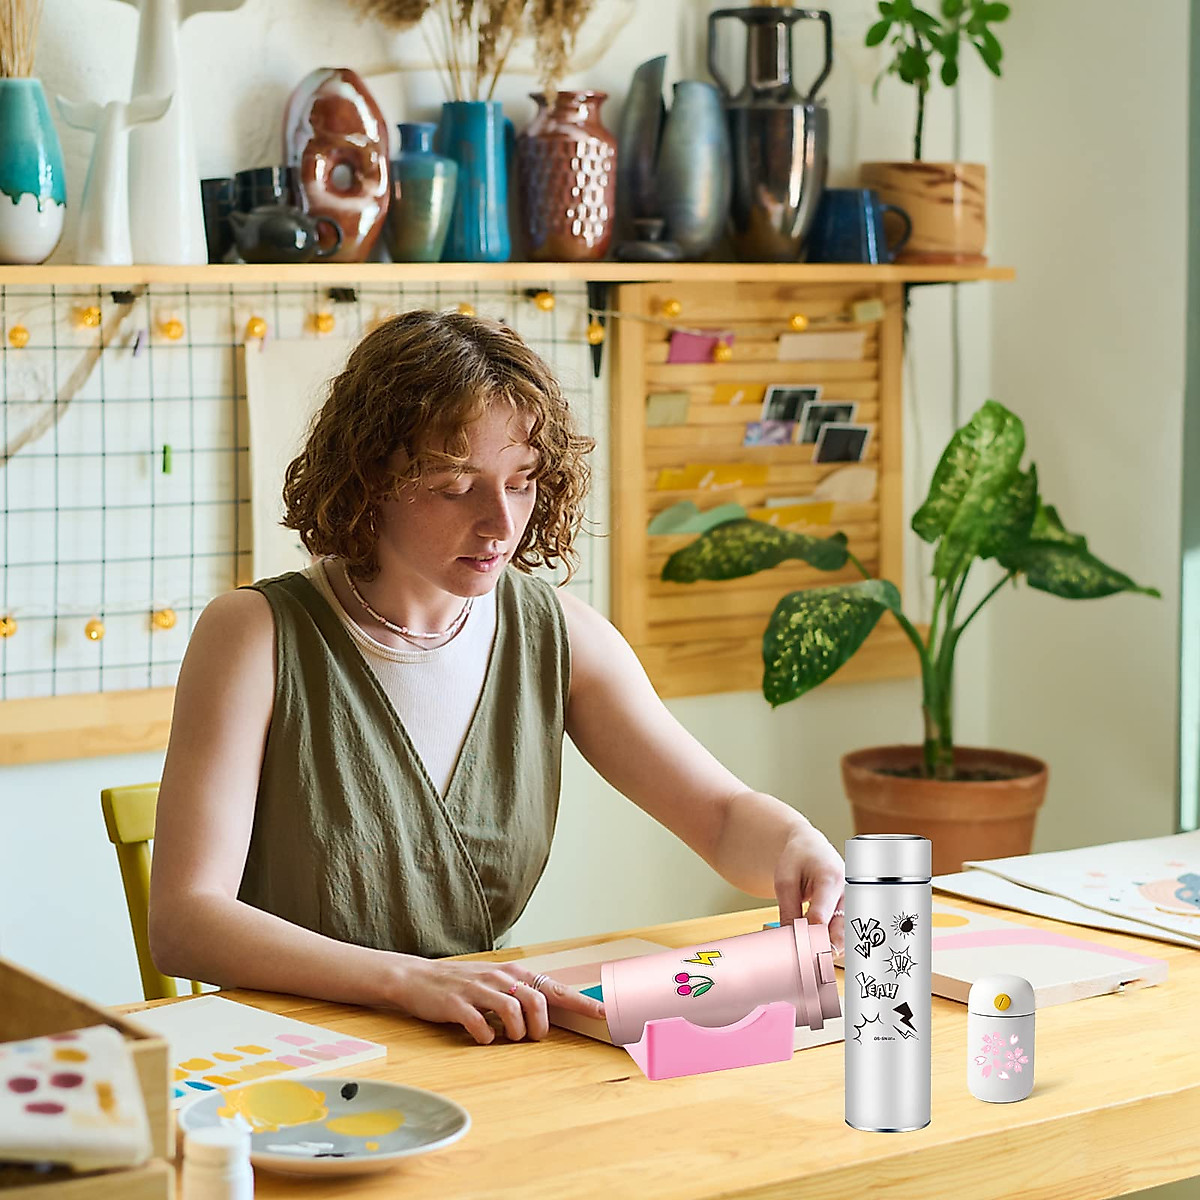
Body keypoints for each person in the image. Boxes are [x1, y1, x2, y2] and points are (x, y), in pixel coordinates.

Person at [148, 310, 845, 1047]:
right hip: (297, 1054)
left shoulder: (561, 634)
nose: (500, 524)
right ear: (369, 477)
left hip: (478, 1038)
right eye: (455, 487)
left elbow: (722, 817)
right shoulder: (252, 634)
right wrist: (408, 981)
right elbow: (185, 922)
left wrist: (796, 845)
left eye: (522, 483)